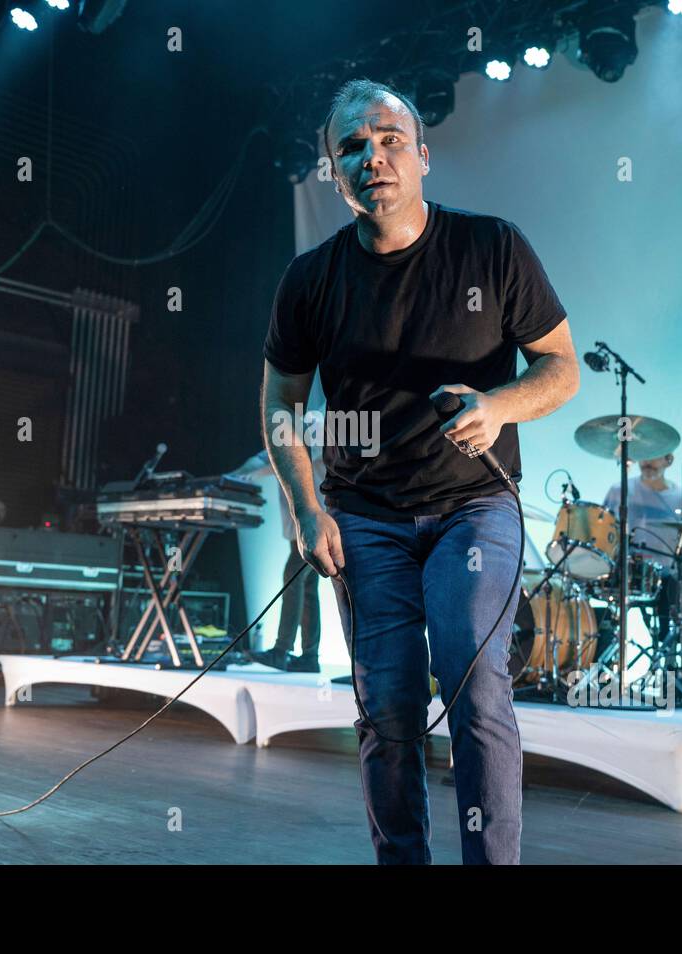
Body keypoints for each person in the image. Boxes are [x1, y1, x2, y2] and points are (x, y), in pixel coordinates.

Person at [260, 79, 579, 864]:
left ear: (423, 156)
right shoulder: (310, 280)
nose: (374, 157)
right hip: (363, 515)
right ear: (336, 175)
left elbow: (562, 369)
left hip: (475, 505)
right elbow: (280, 410)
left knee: (473, 679)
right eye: (354, 149)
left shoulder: (492, 247)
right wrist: (306, 512)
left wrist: (500, 404)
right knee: (389, 707)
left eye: (389, 139)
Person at [228, 410, 328, 672]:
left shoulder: (314, 423)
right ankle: (309, 657)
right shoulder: (287, 432)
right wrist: (232, 478)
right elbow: (261, 459)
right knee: (306, 589)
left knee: (292, 581)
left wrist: (252, 471)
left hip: (315, 523)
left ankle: (282, 651)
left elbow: (295, 458)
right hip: (300, 528)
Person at [602, 454, 682, 642]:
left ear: (668, 460)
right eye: (644, 455)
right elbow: (603, 534)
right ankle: (603, 662)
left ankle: (667, 664)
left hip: (666, 578)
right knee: (604, 623)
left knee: (672, 612)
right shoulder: (619, 491)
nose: (647, 461)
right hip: (625, 573)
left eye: (654, 456)